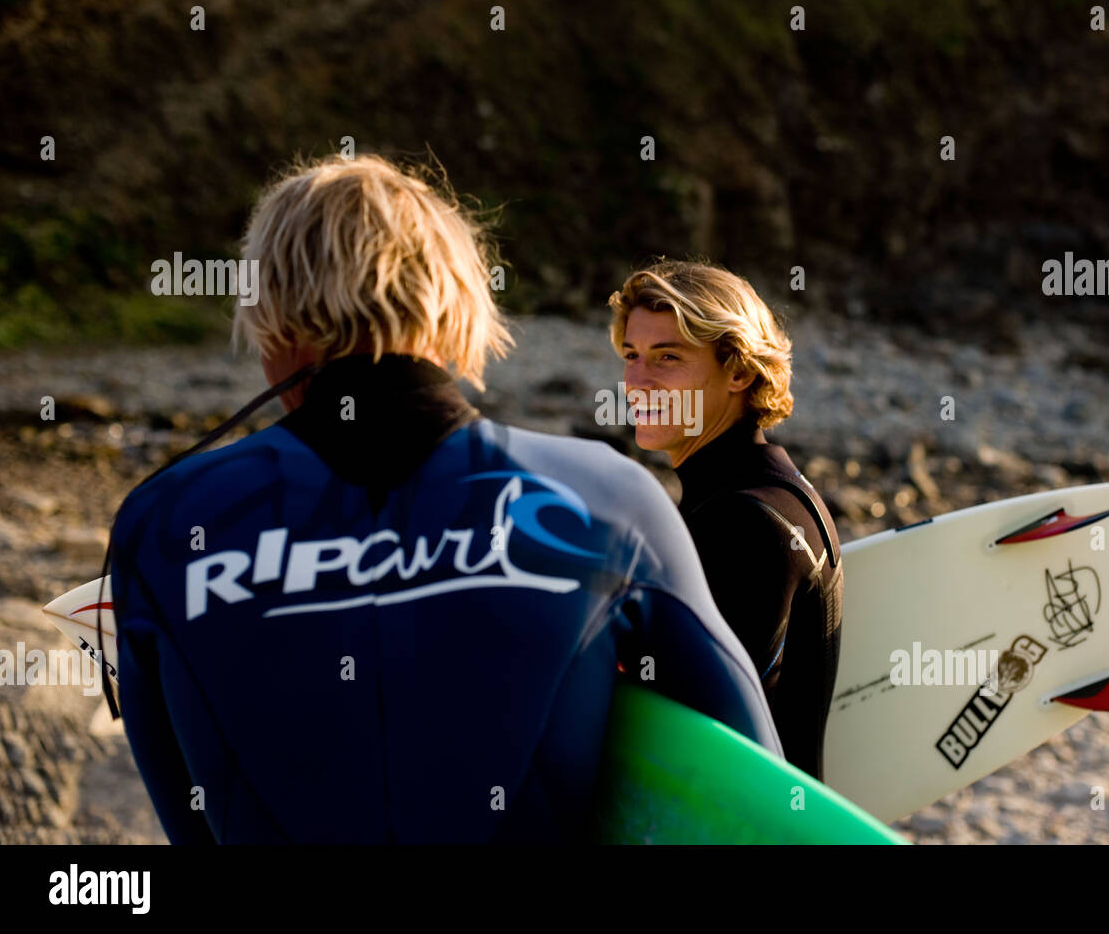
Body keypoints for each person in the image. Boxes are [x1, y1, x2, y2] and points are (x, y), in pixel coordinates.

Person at [109, 156, 780, 843]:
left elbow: (186, 817)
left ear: (273, 317)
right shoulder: (605, 500)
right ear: (457, 304)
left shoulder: (166, 524)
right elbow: (761, 803)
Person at [609, 260, 842, 778]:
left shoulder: (744, 523)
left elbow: (688, 729)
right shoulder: (784, 493)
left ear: (738, 371)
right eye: (631, 355)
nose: (637, 381)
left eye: (667, 357)